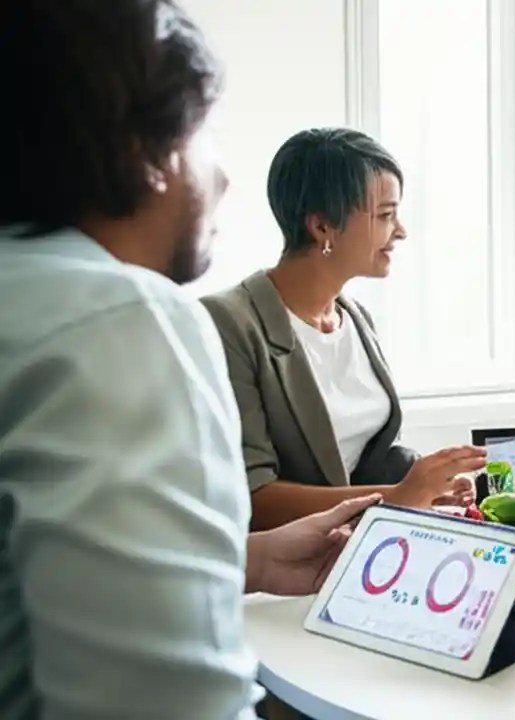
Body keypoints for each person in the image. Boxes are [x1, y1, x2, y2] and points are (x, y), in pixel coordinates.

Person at [0, 2, 378, 717]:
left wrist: (251, 559)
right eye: (207, 133)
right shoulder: (118, 318)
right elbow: (164, 701)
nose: (225, 179)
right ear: (143, 151)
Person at [202, 128, 483, 531]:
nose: (400, 231)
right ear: (322, 227)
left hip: (363, 544)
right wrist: (396, 497)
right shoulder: (227, 324)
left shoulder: (355, 318)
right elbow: (252, 497)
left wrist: (431, 483)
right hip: (288, 559)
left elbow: (369, 455)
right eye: (385, 215)